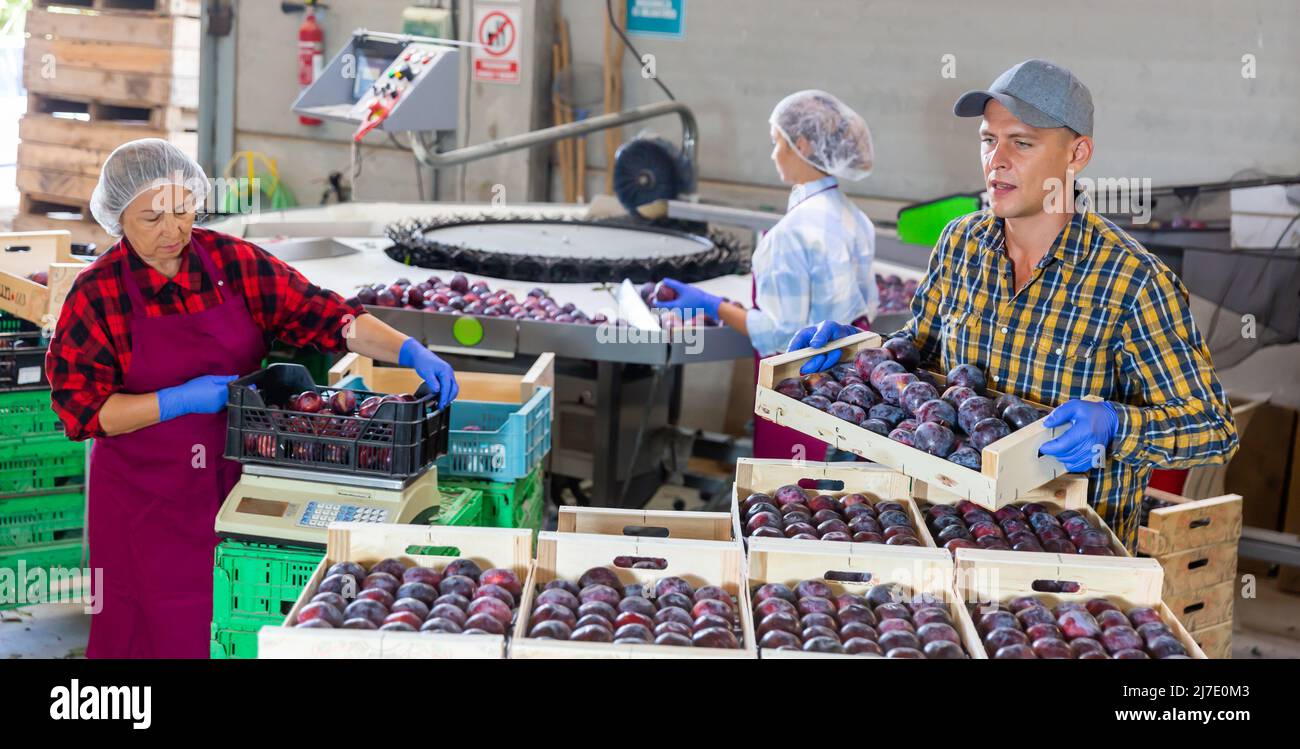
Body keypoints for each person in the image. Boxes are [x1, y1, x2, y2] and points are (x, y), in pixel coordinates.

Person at [786, 60, 1238, 549]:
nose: (996, 160)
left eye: (1021, 142)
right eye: (988, 140)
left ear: (1077, 153)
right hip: (947, 533)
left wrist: (1114, 423)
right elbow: (918, 351)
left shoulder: (1131, 281)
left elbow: (1212, 427)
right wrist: (858, 357)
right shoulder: (960, 244)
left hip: (1065, 560)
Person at [45, 139, 459, 658]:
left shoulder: (231, 263)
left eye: (182, 209)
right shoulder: (97, 294)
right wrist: (176, 401)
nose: (173, 230)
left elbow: (330, 317)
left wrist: (407, 349)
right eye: (151, 218)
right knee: (144, 634)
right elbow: (83, 411)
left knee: (232, 625)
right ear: (117, 218)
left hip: (238, 487)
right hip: (141, 508)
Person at [653, 90, 879, 461]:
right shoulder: (854, 217)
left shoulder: (791, 234)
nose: (774, 154)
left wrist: (712, 305)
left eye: (778, 143)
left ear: (802, 145)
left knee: (794, 500)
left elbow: (779, 334)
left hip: (800, 391)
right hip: (851, 387)